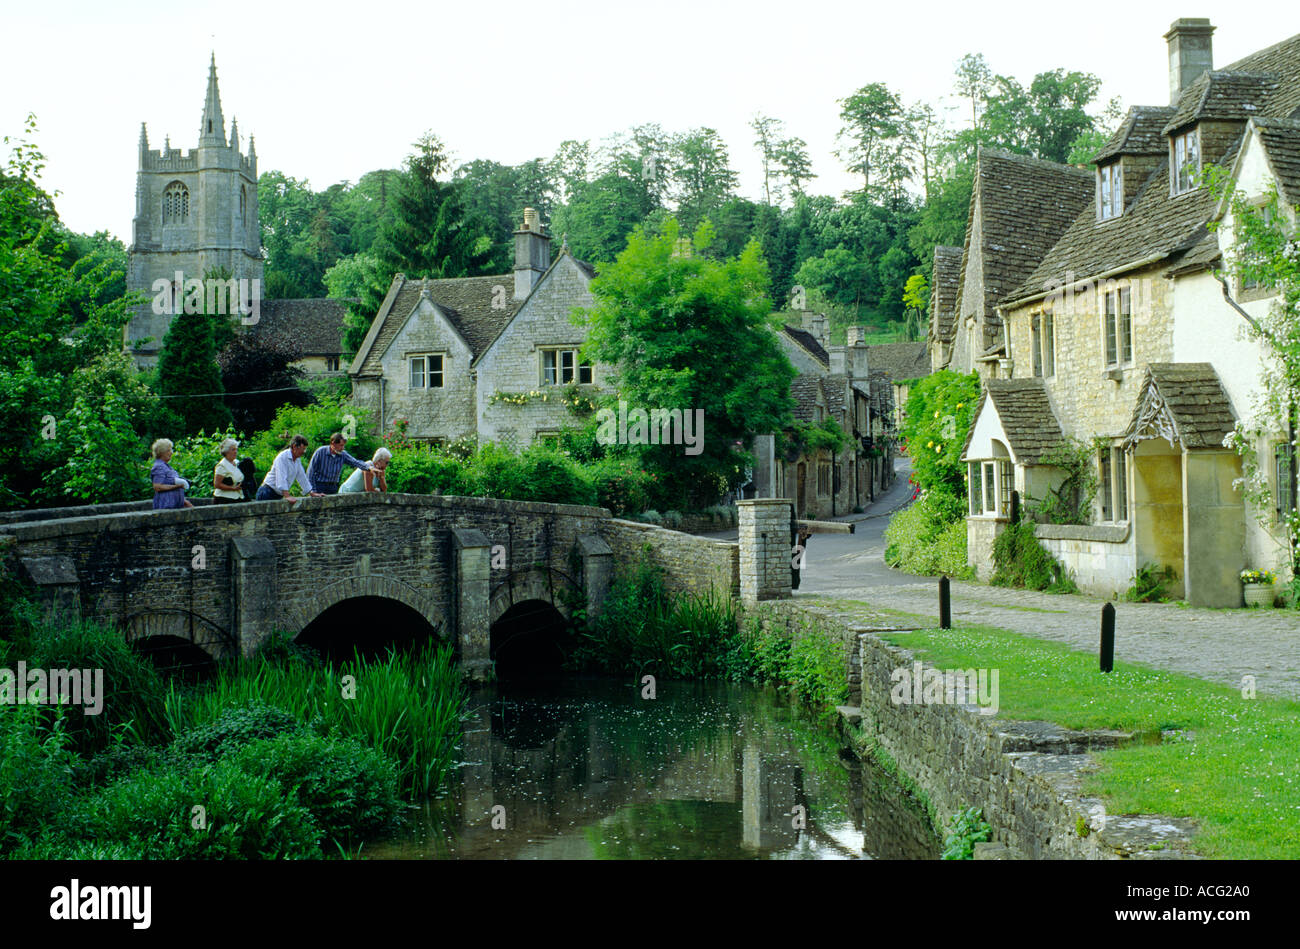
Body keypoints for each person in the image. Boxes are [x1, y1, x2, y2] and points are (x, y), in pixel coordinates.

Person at [257, 434, 323, 503]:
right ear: (294, 446)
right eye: (303, 449)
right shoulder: (282, 457)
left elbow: (301, 476)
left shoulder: (297, 460)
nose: (304, 451)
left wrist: (311, 492)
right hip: (267, 492)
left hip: (278, 494)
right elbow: (281, 477)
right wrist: (287, 496)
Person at [306, 432, 372, 495]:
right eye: (341, 445)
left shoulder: (343, 454)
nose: (342, 448)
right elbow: (310, 472)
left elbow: (355, 462)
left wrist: (369, 468)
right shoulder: (320, 452)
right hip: (320, 486)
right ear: (333, 443)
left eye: (343, 446)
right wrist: (312, 490)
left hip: (333, 486)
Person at [150, 439, 192, 510]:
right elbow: (157, 487)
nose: (171, 453)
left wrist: (184, 501)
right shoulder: (159, 467)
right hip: (166, 505)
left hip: (173, 504)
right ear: (162, 452)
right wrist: (178, 486)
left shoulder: (165, 466)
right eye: (169, 450)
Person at [212, 438, 244, 505]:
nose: (235, 452)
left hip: (237, 498)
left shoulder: (237, 462)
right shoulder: (222, 465)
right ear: (226, 451)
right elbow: (217, 484)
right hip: (224, 499)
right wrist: (233, 488)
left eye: (236, 449)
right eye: (233, 449)